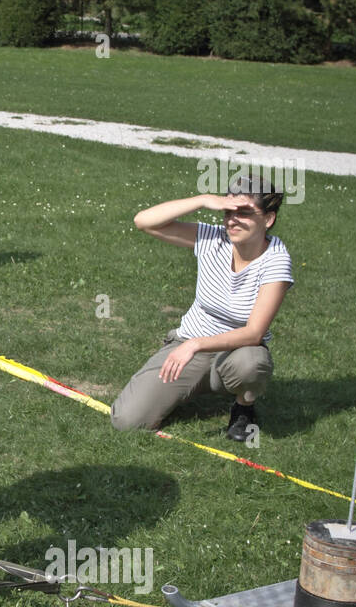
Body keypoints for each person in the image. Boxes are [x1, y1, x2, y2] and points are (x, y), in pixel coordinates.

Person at [109, 173, 294, 439]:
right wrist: (203, 200)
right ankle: (190, 387)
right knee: (126, 421)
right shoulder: (211, 238)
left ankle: (244, 407)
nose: (233, 220)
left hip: (235, 352)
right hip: (187, 344)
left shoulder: (276, 260)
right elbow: (144, 222)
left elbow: (254, 333)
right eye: (228, 212)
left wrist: (195, 345)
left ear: (268, 219)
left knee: (252, 363)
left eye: (244, 213)